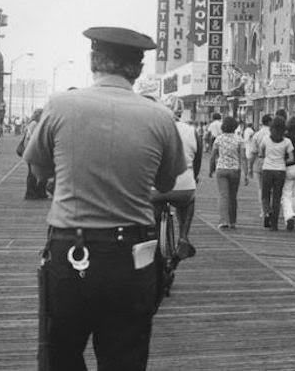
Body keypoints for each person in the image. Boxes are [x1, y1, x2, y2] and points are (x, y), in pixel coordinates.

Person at [24, 26, 185, 370]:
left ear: (94, 60)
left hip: (70, 253)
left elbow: (37, 170)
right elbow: (167, 180)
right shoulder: (160, 117)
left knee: (61, 354)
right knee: (125, 357)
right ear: (138, 69)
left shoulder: (60, 105)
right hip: (133, 257)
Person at [153, 96, 202, 255]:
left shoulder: (154, 128)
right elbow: (197, 163)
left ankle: (152, 237)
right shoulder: (193, 131)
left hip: (155, 188)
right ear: (182, 112)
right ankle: (183, 237)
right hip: (184, 187)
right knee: (188, 200)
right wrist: (193, 179)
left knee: (153, 205)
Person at [249, 115, 292, 231]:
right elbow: (291, 158)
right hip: (280, 171)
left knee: (265, 195)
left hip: (267, 170)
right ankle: (274, 225)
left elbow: (261, 153)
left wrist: (266, 157)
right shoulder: (287, 141)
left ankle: (267, 213)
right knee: (277, 198)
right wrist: (282, 160)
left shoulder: (266, 139)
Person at [210, 115, 247, 229]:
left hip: (221, 169)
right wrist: (246, 174)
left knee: (223, 196)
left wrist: (211, 169)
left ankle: (223, 221)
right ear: (235, 127)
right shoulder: (239, 139)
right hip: (235, 170)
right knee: (232, 196)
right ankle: (232, 221)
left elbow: (213, 156)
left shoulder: (219, 139)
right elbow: (243, 158)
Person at [249, 114, 272, 223]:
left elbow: (253, 153)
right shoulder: (274, 134)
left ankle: (264, 211)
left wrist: (249, 167)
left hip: (259, 162)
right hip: (272, 163)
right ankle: (271, 208)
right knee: (271, 189)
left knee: (261, 189)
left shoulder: (257, 135)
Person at [23, 109, 49, 200]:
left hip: (39, 151)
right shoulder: (34, 124)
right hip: (33, 151)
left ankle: (40, 192)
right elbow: (30, 136)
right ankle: (31, 193)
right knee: (32, 173)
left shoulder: (39, 124)